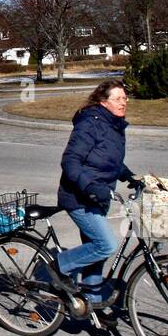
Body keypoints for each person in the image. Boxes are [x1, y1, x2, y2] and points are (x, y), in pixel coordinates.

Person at [53, 79, 141, 308]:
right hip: (79, 197)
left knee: (96, 248)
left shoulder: (113, 124)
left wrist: (129, 176)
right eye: (119, 98)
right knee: (106, 245)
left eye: (125, 98)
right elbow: (70, 161)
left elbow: (107, 159)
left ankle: (91, 300)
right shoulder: (90, 123)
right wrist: (90, 186)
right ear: (104, 102)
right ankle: (60, 265)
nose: (124, 102)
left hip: (99, 196)